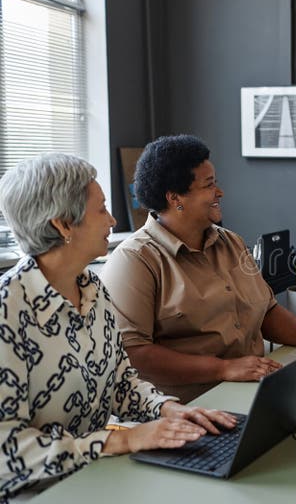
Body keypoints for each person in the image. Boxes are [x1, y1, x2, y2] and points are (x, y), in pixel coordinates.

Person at [0, 154, 236, 501]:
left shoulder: (92, 289)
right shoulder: (8, 311)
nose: (112, 219)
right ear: (63, 225)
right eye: (101, 209)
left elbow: (121, 384)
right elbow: (7, 452)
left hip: (96, 476)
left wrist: (171, 410)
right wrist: (121, 439)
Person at [100, 135, 296, 403]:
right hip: (188, 406)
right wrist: (223, 369)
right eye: (209, 185)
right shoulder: (135, 260)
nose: (219, 192)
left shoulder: (231, 242)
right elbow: (134, 353)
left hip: (252, 391)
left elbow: (266, 312)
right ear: (175, 198)